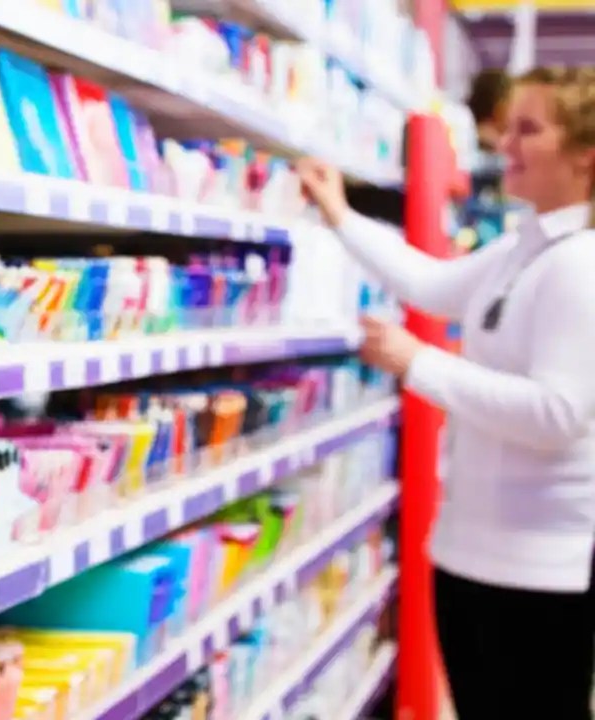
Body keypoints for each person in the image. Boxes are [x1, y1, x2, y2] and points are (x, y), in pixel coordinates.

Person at [298, 66, 595, 720]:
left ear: (585, 157)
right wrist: (339, 213)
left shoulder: (581, 264)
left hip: (537, 574)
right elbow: (430, 285)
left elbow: (558, 414)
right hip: (471, 554)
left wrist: (419, 363)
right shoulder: (526, 246)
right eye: (508, 127)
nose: (505, 143)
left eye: (528, 130)